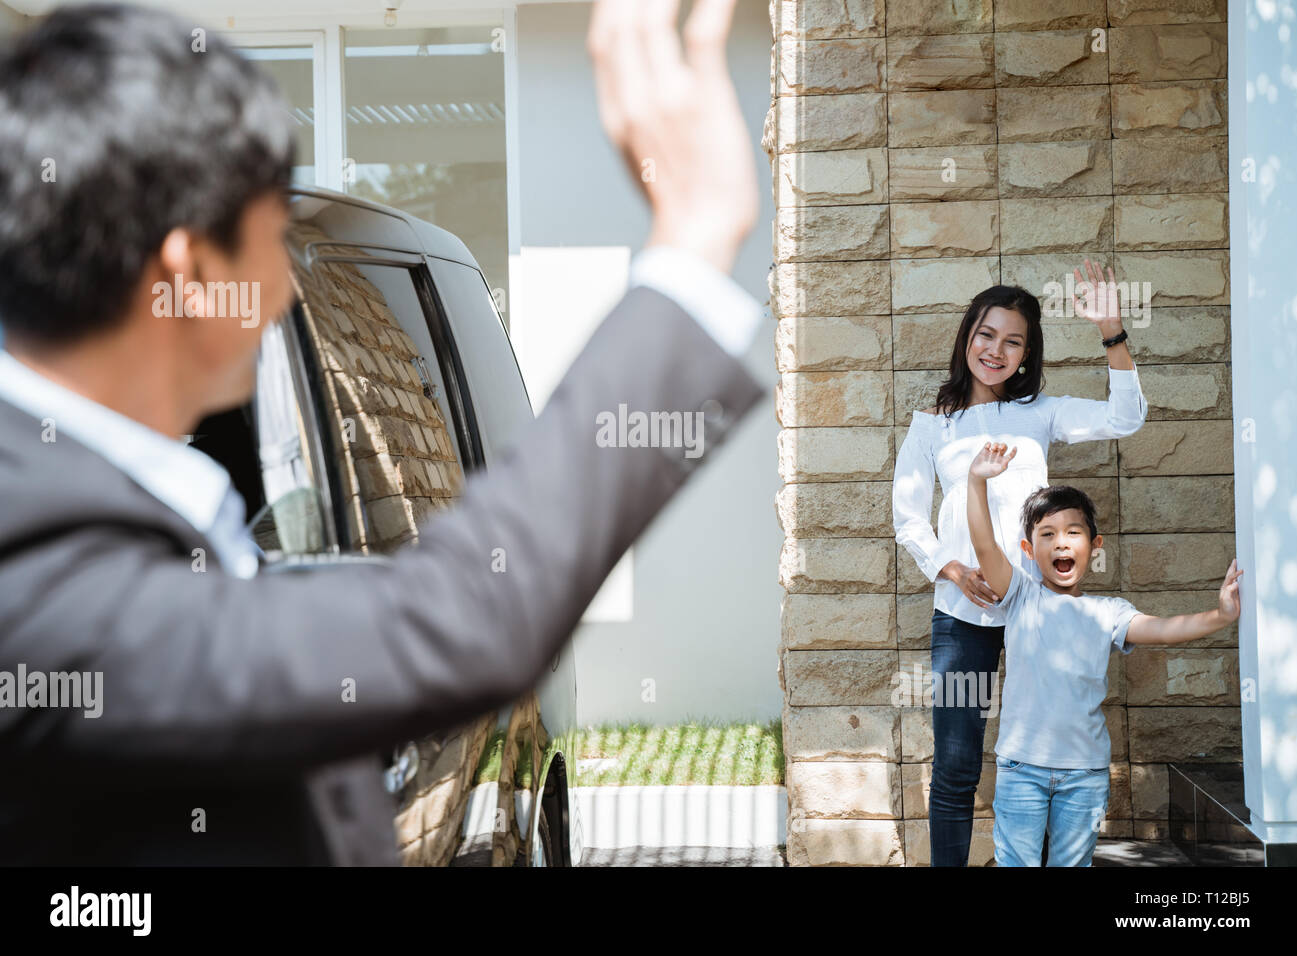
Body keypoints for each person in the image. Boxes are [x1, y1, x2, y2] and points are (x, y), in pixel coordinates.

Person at [0, 0, 763, 864]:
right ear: (191, 267)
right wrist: (694, 244)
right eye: (272, 245)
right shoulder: (35, 561)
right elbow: (455, 616)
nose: (287, 290)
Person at [891, 261, 1148, 866]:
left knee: (1044, 752)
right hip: (964, 613)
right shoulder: (932, 427)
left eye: (1013, 341)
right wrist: (949, 569)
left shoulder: (1042, 412)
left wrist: (1111, 330)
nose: (996, 350)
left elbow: (1125, 418)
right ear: (966, 338)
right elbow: (908, 516)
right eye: (986, 335)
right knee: (956, 764)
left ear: (1026, 354)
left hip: (1037, 614)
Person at [966, 442, 1243, 866]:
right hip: (1022, 769)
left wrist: (1220, 616)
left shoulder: (1109, 612)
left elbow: (1163, 630)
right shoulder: (1021, 595)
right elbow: (984, 546)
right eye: (1047, 535)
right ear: (1028, 550)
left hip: (1085, 775)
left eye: (1073, 533)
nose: (1061, 544)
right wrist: (976, 481)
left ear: (1094, 545)